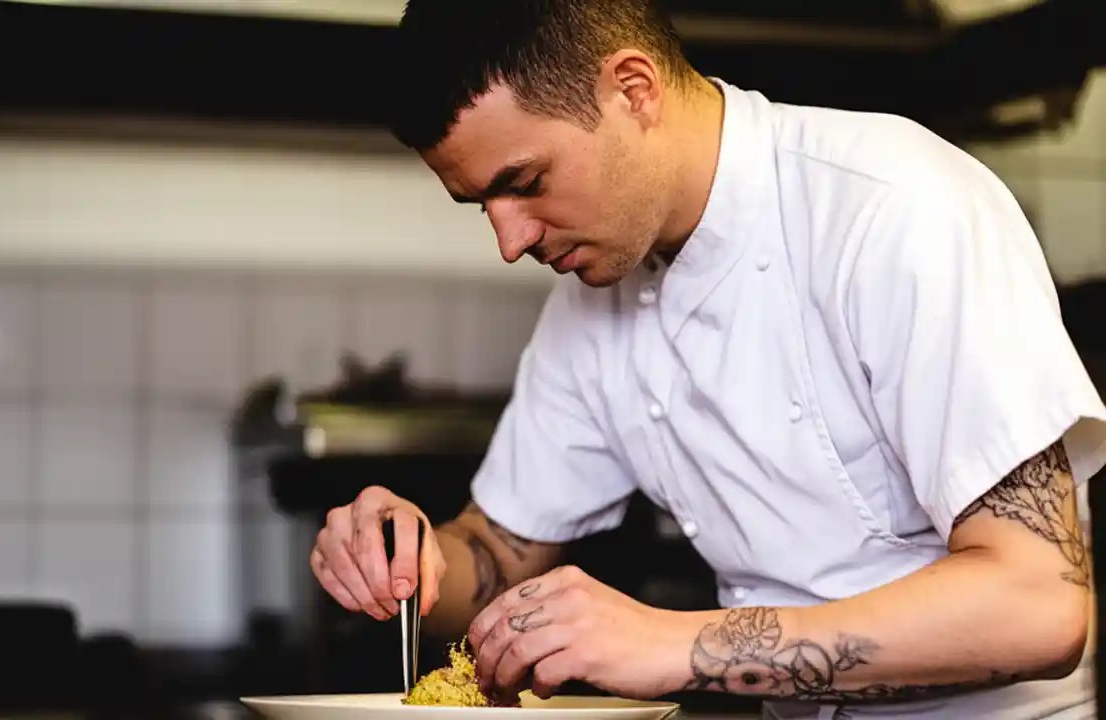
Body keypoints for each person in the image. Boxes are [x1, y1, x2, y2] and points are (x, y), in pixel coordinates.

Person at [308, 1, 1106, 717]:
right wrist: (411, 561)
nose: (510, 241)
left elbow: (1038, 605)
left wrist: (672, 645)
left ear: (633, 88)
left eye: (526, 182)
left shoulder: (896, 208)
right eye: (483, 203)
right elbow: (498, 556)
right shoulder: (588, 305)